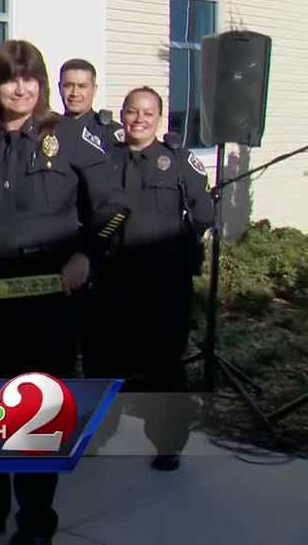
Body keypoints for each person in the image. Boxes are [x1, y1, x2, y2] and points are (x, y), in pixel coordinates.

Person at [0, 40, 128, 545]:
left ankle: (34, 522)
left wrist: (86, 253)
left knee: (35, 417)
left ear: (41, 86)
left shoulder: (69, 138)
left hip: (45, 304)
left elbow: (113, 207)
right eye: (9, 78)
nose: (20, 88)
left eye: (29, 78)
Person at [84, 86, 212, 471]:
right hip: (112, 281)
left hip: (161, 285)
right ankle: (96, 434)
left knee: (164, 368)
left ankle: (167, 443)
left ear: (159, 117)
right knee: (101, 363)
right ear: (122, 115)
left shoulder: (178, 161)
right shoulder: (104, 159)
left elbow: (203, 214)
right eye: (132, 112)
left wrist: (180, 253)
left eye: (147, 113)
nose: (139, 119)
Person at [58, 58, 122, 146]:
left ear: (94, 90)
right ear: (60, 88)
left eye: (82, 86)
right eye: (68, 86)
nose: (74, 93)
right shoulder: (49, 131)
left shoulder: (109, 133)